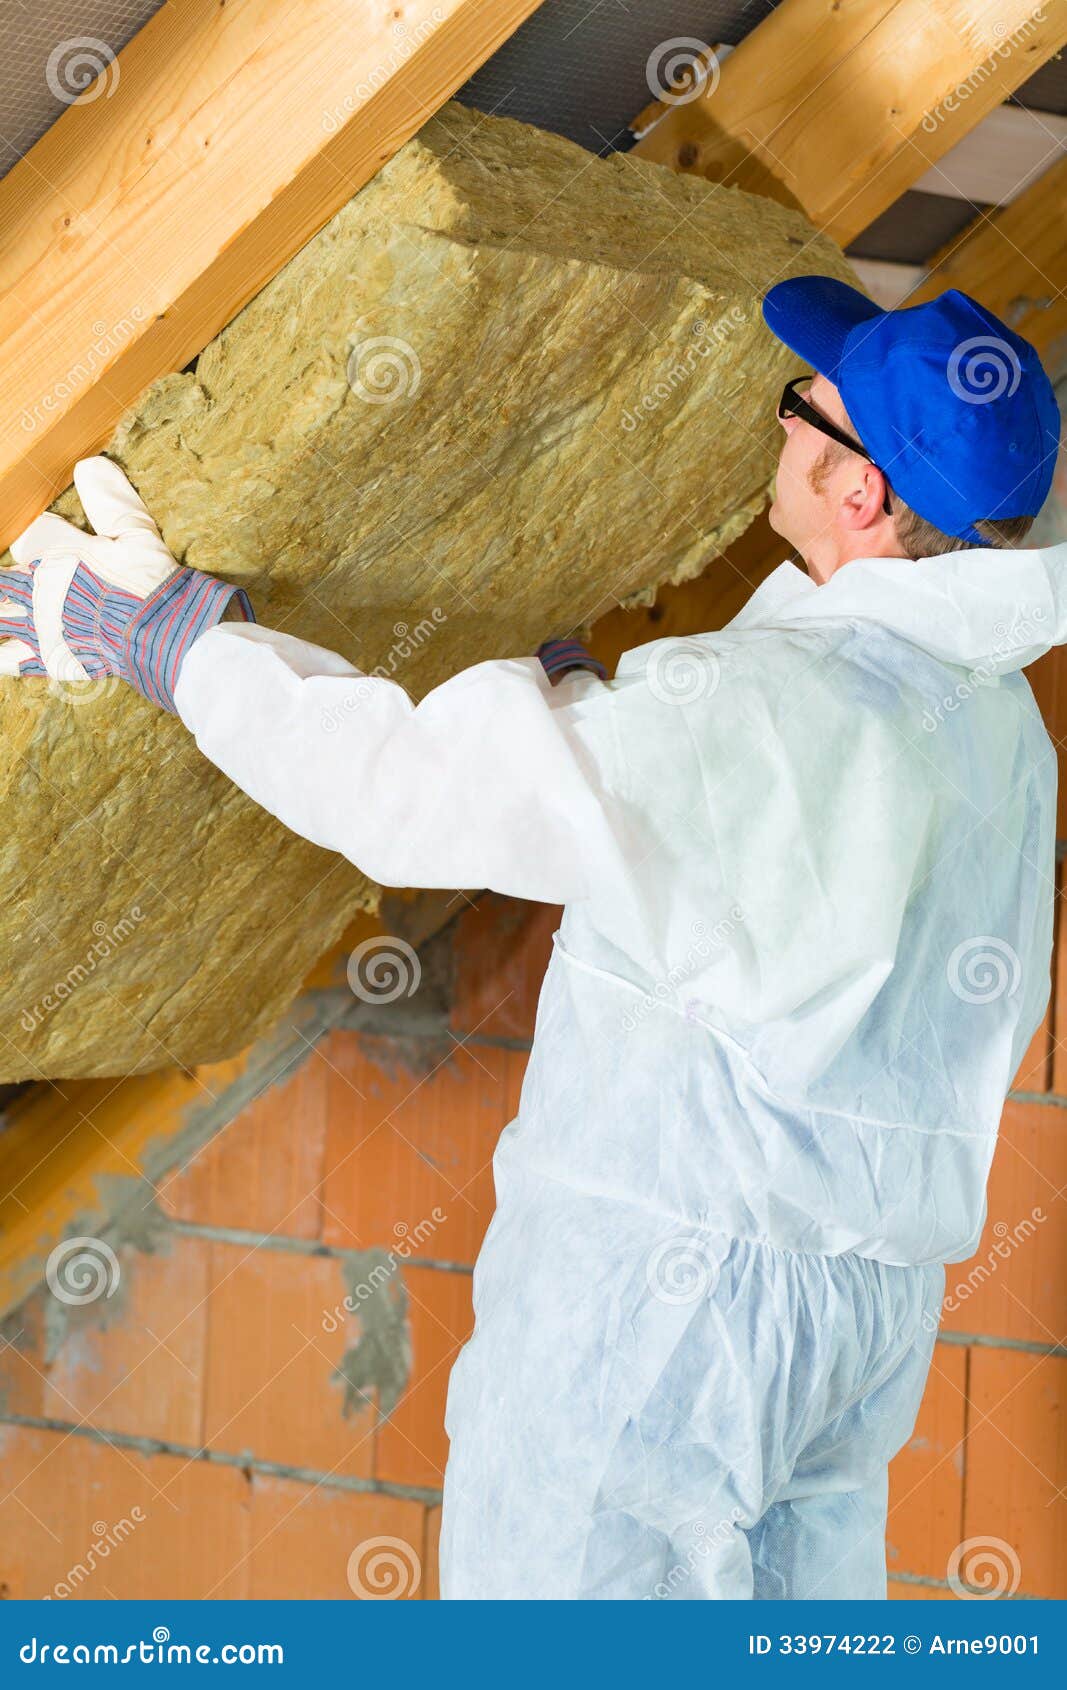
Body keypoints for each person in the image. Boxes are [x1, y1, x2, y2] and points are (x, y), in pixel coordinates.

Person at [2, 276, 1063, 1599]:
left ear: (859, 494)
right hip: (862, 1329)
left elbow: (411, 795)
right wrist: (602, 738)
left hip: (670, 1311)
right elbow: (830, 937)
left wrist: (178, 646)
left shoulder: (770, 711)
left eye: (806, 409)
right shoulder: (998, 732)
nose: (779, 429)